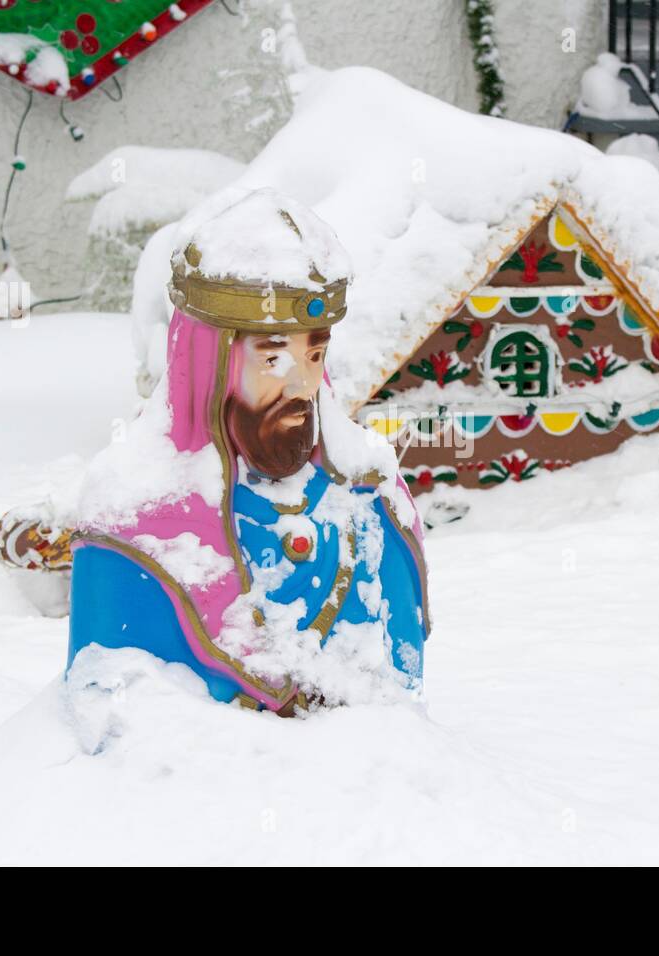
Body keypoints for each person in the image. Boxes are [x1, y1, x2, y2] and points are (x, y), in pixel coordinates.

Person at [68, 190, 429, 714]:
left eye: (314, 353)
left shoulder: (368, 493)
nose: (302, 383)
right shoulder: (133, 516)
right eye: (274, 355)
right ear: (210, 359)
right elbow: (106, 706)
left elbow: (403, 684)